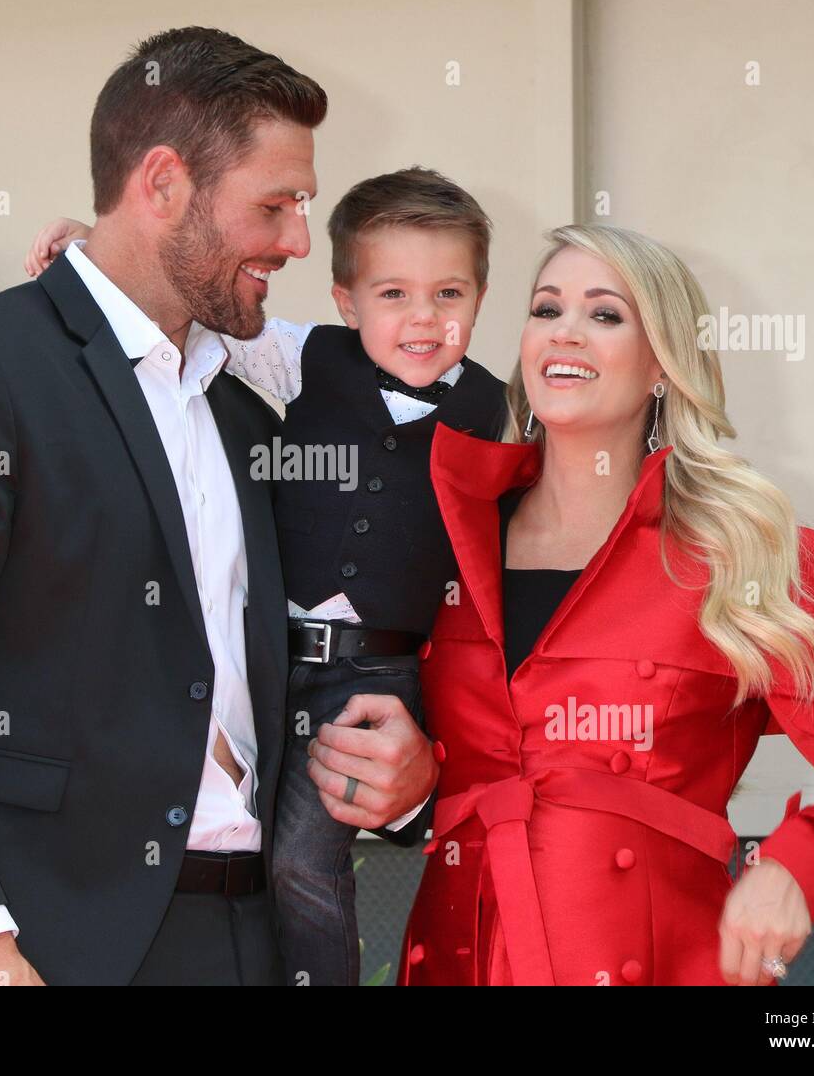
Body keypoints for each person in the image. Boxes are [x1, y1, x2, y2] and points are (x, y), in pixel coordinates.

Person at [0, 25, 435, 987]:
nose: (299, 241)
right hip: (26, 945)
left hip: (250, 944)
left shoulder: (246, 411)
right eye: (275, 204)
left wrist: (406, 778)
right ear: (162, 184)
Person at [398, 224, 814, 986]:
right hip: (457, 953)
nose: (567, 334)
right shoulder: (444, 534)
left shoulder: (736, 557)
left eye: (605, 314)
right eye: (547, 308)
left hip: (652, 961)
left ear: (662, 365)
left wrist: (798, 864)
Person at [27, 166, 508, 985]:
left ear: (479, 298)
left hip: (378, 680)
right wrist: (94, 254)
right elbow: (182, 319)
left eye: (449, 295)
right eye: (392, 295)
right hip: (268, 662)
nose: (423, 319)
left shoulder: (500, 411)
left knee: (303, 861)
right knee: (236, 838)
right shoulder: (303, 360)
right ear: (347, 302)